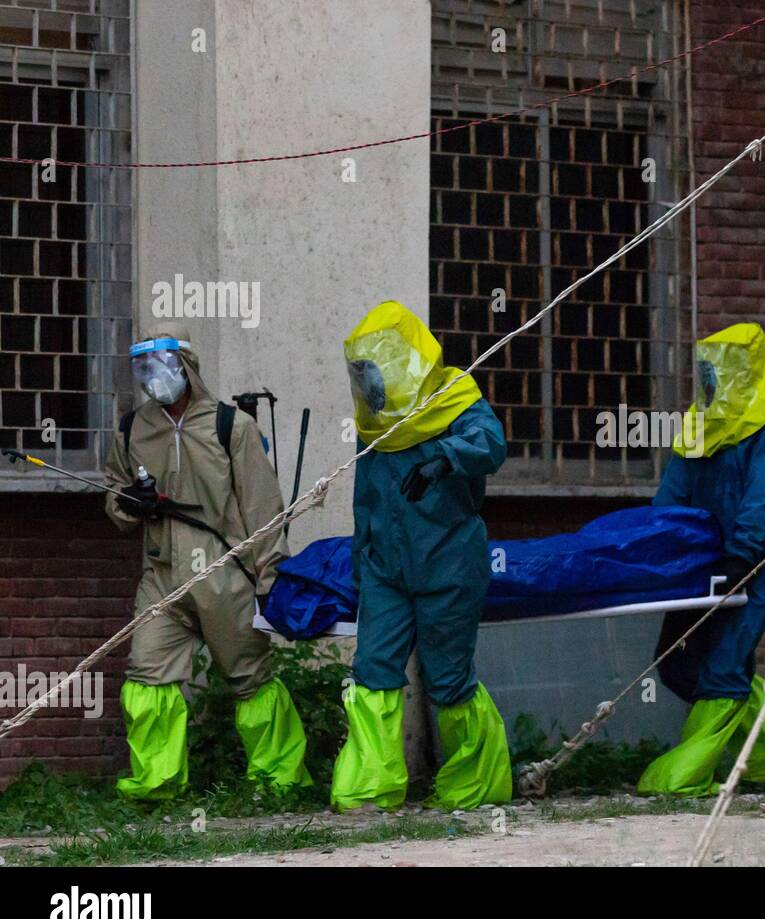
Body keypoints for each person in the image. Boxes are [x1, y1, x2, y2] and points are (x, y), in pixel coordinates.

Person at [105, 323, 312, 800]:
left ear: (186, 367)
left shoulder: (230, 426)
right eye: (143, 368)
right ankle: (154, 786)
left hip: (224, 572)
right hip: (162, 574)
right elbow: (115, 496)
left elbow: (262, 508)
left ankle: (279, 782)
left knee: (250, 679)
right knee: (147, 671)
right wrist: (128, 503)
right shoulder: (135, 428)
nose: (153, 377)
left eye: (160, 365)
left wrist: (269, 577)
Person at [331, 301, 511, 812]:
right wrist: (362, 568)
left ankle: (475, 784)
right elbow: (366, 504)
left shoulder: (454, 399)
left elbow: (491, 445)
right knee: (373, 669)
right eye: (361, 372)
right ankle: (370, 788)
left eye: (375, 369)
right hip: (387, 570)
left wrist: (446, 458)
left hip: (448, 564)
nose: (369, 381)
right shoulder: (376, 427)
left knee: (447, 676)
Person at [638, 323, 765, 797]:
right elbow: (673, 493)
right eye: (705, 371)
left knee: (724, 662)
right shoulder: (702, 422)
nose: (709, 380)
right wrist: (655, 546)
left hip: (752, 561)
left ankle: (689, 773)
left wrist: (742, 557)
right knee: (675, 661)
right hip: (696, 560)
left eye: (716, 370)